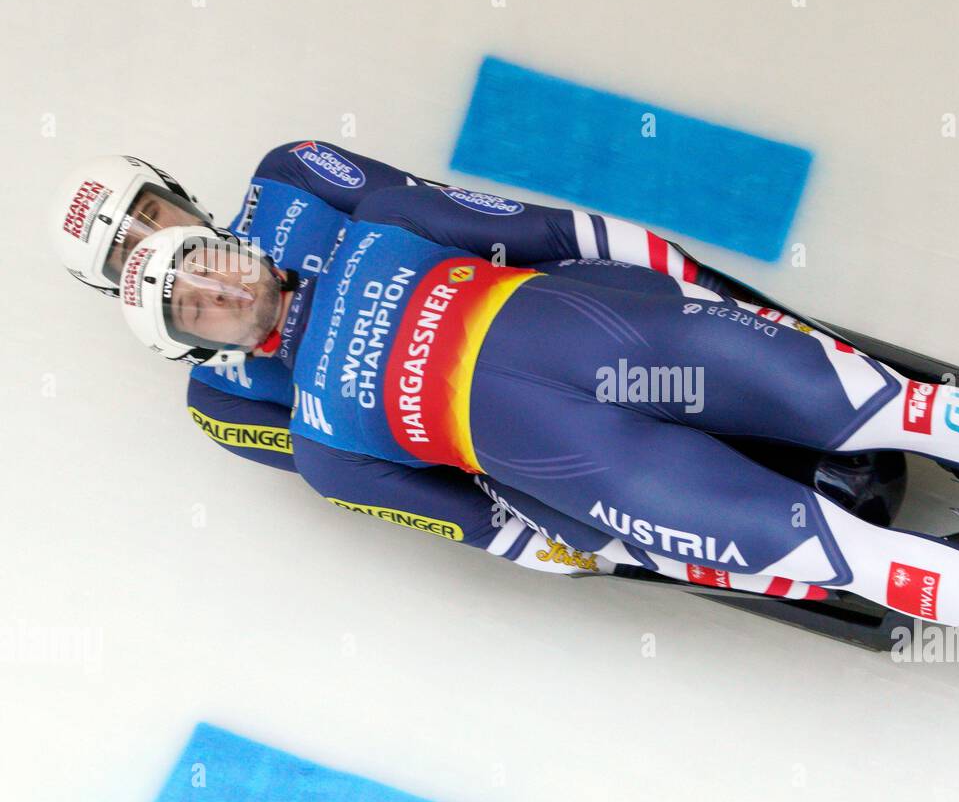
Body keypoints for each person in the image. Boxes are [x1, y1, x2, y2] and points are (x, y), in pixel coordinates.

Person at [112, 211, 959, 675]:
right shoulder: (317, 442)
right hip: (588, 464)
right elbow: (470, 521)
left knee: (873, 400)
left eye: (203, 260)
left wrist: (657, 266)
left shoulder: (364, 233)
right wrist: (592, 548)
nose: (214, 289)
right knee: (819, 550)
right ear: (193, 345)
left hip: (615, 337)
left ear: (229, 238)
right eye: (190, 304)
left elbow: (514, 226)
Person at [50, 145, 909, 602]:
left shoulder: (294, 175)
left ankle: (827, 380)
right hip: (487, 435)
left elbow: (438, 212)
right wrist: (522, 536)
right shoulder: (214, 396)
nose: (149, 241)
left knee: (640, 330)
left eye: (148, 214)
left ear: (172, 190)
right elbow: (353, 471)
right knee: (576, 493)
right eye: (124, 249)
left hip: (522, 316)